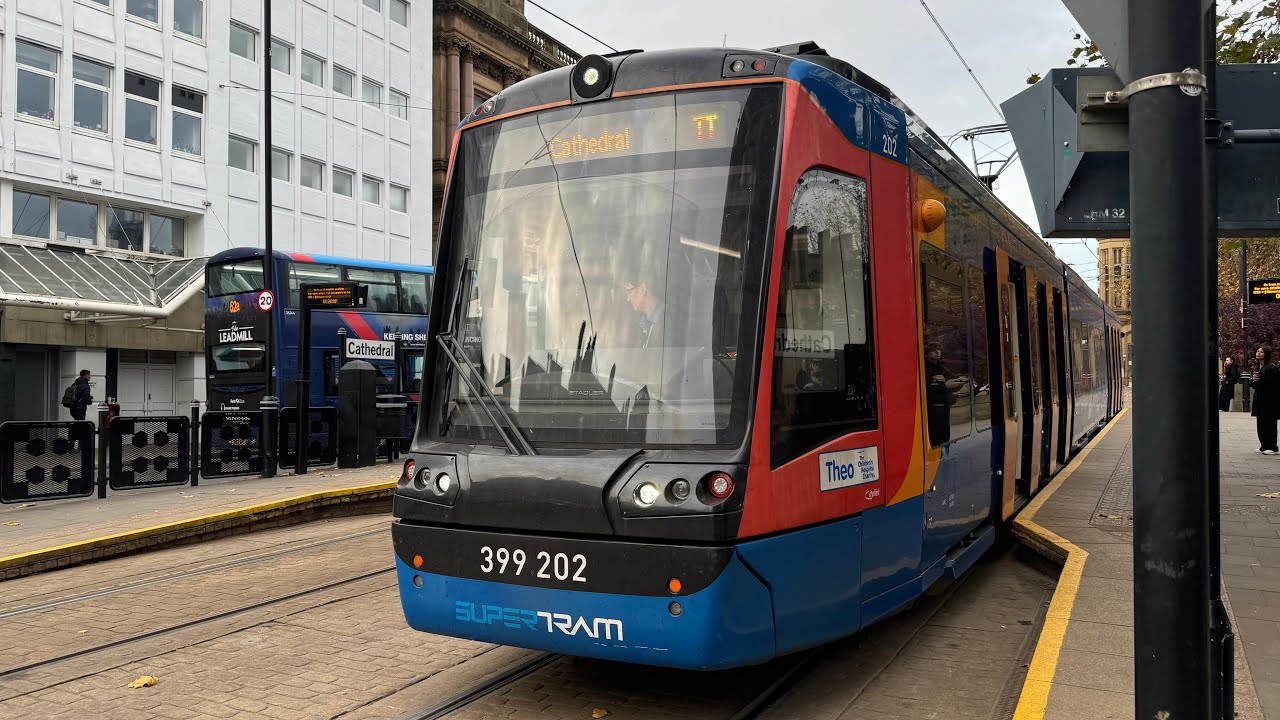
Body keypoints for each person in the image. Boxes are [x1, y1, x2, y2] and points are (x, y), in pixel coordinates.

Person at [1251, 347, 1280, 454]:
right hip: (1261, 399)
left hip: (1269, 400)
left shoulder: (1270, 368)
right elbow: (1256, 383)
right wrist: (1253, 380)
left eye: (1261, 352)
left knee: (1269, 423)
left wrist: (1256, 381)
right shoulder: (1260, 367)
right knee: (1261, 423)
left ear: (1266, 354)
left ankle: (1272, 447)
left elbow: (1268, 384)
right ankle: (1264, 445)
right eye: (1257, 351)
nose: (1258, 353)